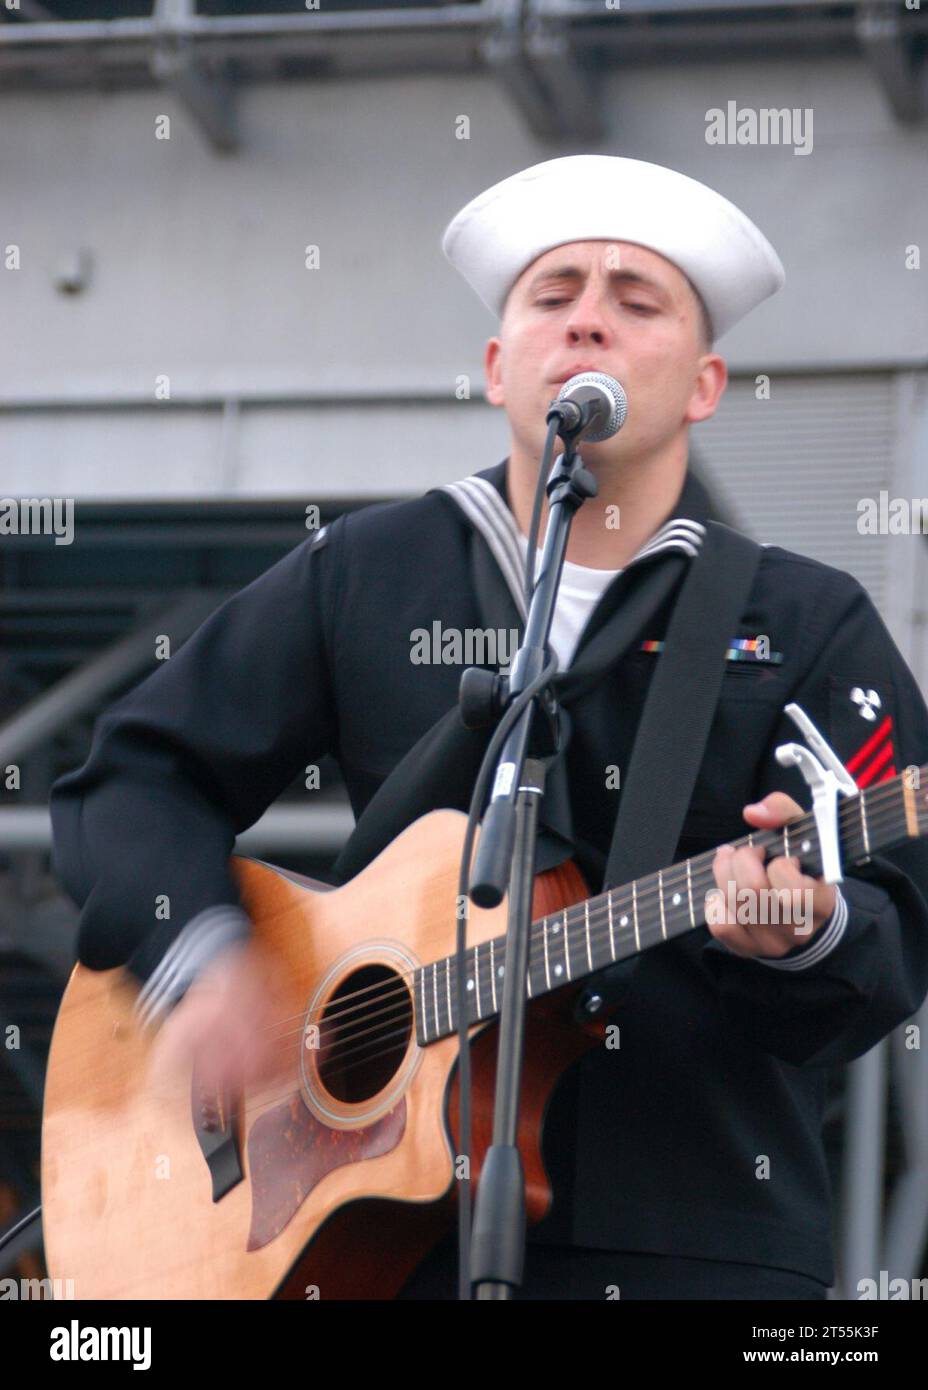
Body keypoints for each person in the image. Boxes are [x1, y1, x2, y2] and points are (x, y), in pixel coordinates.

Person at [50, 155, 928, 1300]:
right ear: (497, 366)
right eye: (553, 294)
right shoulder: (366, 570)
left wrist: (805, 932)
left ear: (705, 383)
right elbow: (134, 778)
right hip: (382, 1254)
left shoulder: (805, 620)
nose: (589, 323)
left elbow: (895, 920)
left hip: (695, 1251)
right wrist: (205, 964)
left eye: (636, 299)